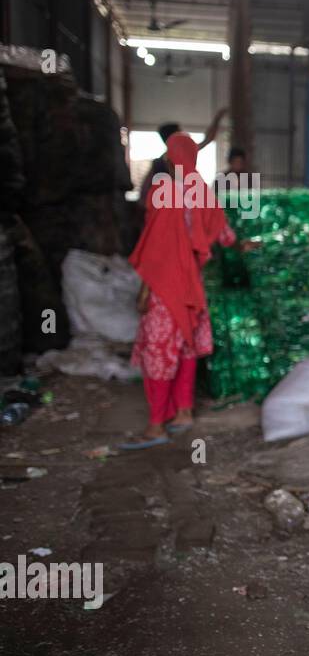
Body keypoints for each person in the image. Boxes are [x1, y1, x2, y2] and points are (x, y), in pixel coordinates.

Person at [120, 132, 235, 450]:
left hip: (166, 288)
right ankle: (183, 413)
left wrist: (146, 289)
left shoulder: (163, 191)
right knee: (185, 349)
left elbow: (155, 248)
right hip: (192, 289)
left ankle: (156, 426)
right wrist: (244, 244)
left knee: (158, 353)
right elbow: (224, 234)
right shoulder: (203, 193)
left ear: (171, 160)